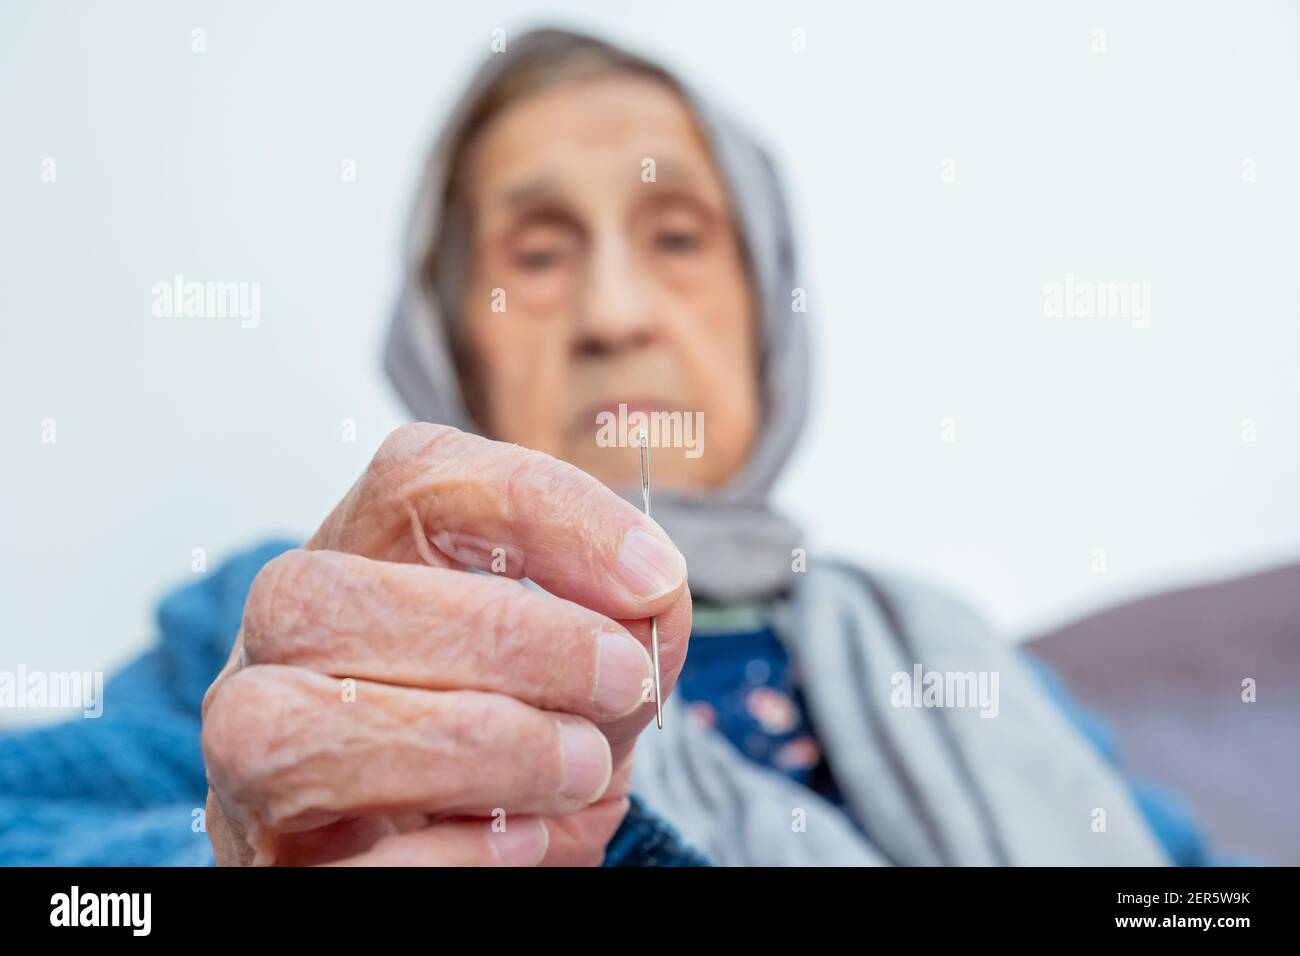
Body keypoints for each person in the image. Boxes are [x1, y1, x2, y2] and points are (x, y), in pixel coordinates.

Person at [0, 28, 1203, 867]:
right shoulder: (284, 628)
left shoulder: (955, 651)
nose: (615, 311)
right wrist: (232, 845)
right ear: (452, 342)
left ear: (767, 304)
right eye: (535, 253)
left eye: (677, 235)